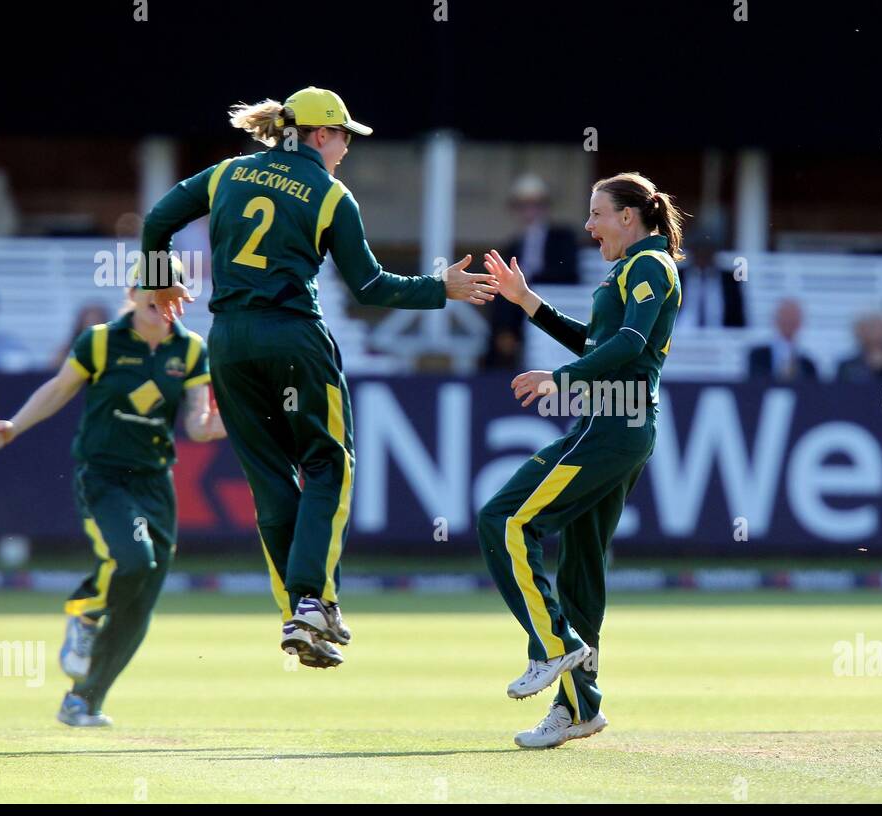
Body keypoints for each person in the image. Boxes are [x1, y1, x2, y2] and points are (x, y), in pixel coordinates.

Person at [138, 87, 496, 669]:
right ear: (320, 134)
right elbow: (371, 287)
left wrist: (159, 278)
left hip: (227, 341)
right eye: (345, 136)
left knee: (270, 482)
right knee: (329, 463)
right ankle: (312, 600)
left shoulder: (229, 172)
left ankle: (297, 612)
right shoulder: (331, 196)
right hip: (293, 339)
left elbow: (157, 218)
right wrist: (442, 288)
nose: (348, 148)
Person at [477, 172, 684, 749]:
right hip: (618, 424)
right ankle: (578, 708)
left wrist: (558, 380)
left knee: (504, 519)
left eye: (598, 213)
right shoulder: (631, 268)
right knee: (582, 567)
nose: (588, 226)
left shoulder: (649, 265)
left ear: (629, 216)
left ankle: (553, 644)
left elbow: (628, 347)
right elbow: (600, 343)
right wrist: (528, 303)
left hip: (612, 425)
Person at [0, 259, 226, 727]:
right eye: (151, 292)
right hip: (105, 477)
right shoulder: (100, 340)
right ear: (133, 293)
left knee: (140, 604)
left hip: (157, 485)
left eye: (169, 294)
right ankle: (87, 614)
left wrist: (229, 422)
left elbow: (197, 423)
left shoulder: (191, 350)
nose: (160, 303)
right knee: (134, 560)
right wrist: (14, 425)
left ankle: (83, 701)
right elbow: (58, 390)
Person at [481, 175, 581, 371]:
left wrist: (529, 281)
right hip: (519, 308)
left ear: (546, 207)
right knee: (498, 294)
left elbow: (569, 272)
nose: (529, 211)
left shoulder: (562, 237)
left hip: (553, 304)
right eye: (522, 206)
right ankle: (501, 347)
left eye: (535, 205)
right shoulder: (513, 245)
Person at [674, 225, 745, 330]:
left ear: (714, 253)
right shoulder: (677, 276)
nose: (703, 255)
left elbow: (739, 318)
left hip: (721, 336)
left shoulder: (730, 280)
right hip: (680, 335)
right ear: (691, 252)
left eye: (708, 250)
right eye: (698, 250)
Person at [748, 298, 816, 381]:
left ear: (799, 323)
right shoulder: (757, 357)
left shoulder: (808, 365)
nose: (788, 323)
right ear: (776, 320)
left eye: (792, 319)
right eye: (785, 318)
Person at [52, 303, 111, 368]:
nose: (93, 327)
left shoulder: (115, 348)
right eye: (89, 322)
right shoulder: (65, 351)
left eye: (97, 322)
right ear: (80, 324)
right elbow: (54, 371)